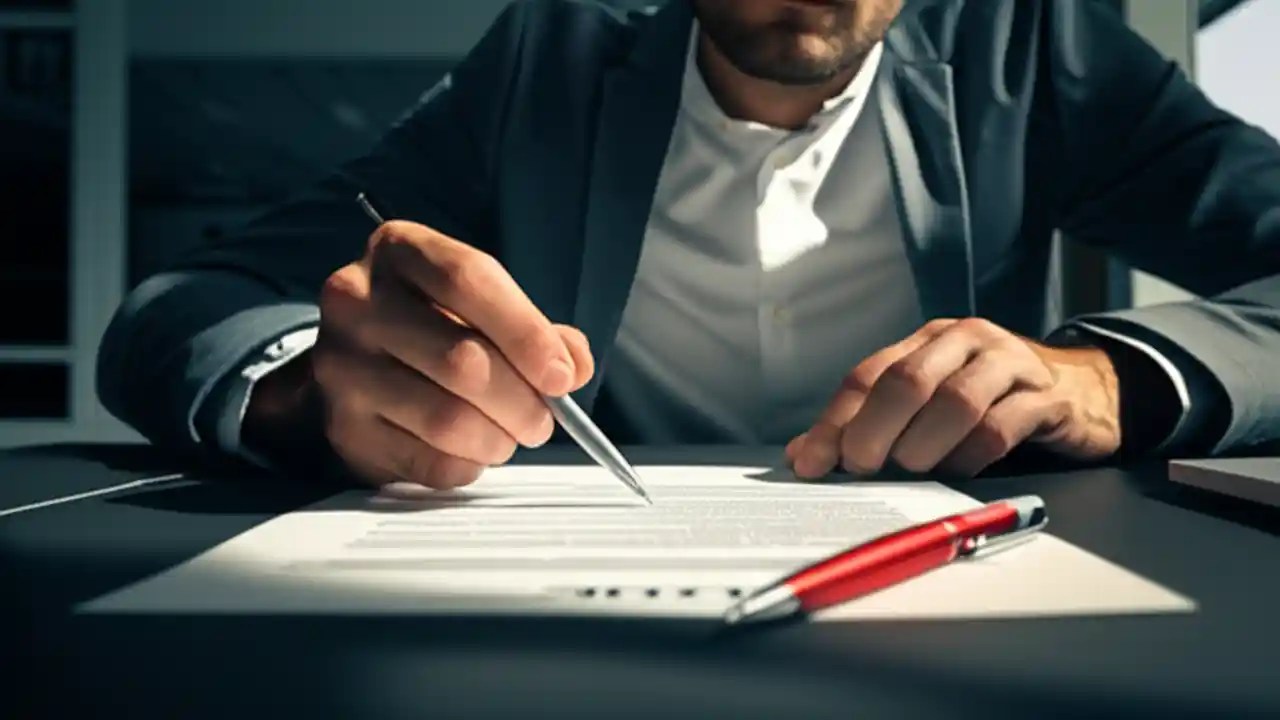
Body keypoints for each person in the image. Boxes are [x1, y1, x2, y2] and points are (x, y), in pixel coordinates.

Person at [98, 0, 1280, 490]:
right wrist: (308, 394)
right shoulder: (553, 55)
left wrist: (1108, 376)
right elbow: (189, 302)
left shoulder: (1033, 45)